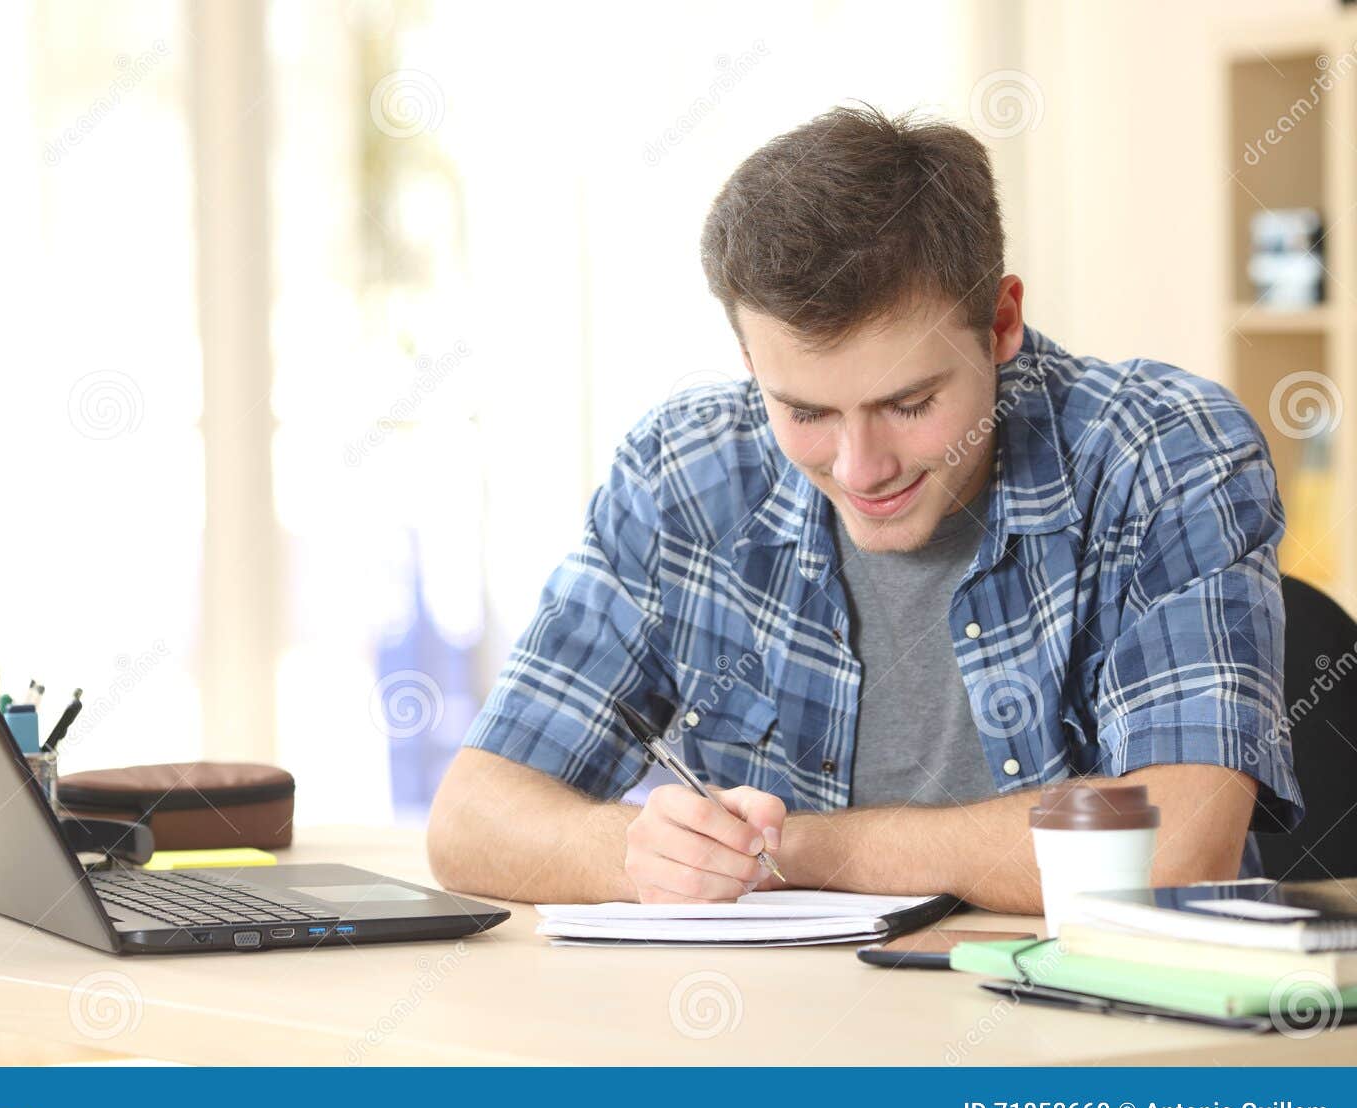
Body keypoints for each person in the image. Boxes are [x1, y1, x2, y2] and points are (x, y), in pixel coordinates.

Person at [426, 104, 1302, 911]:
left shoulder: (1162, 454)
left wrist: (795, 849)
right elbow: (469, 820)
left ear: (1001, 324)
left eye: (910, 404)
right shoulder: (684, 475)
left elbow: (1175, 848)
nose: (861, 467)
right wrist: (635, 849)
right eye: (805, 412)